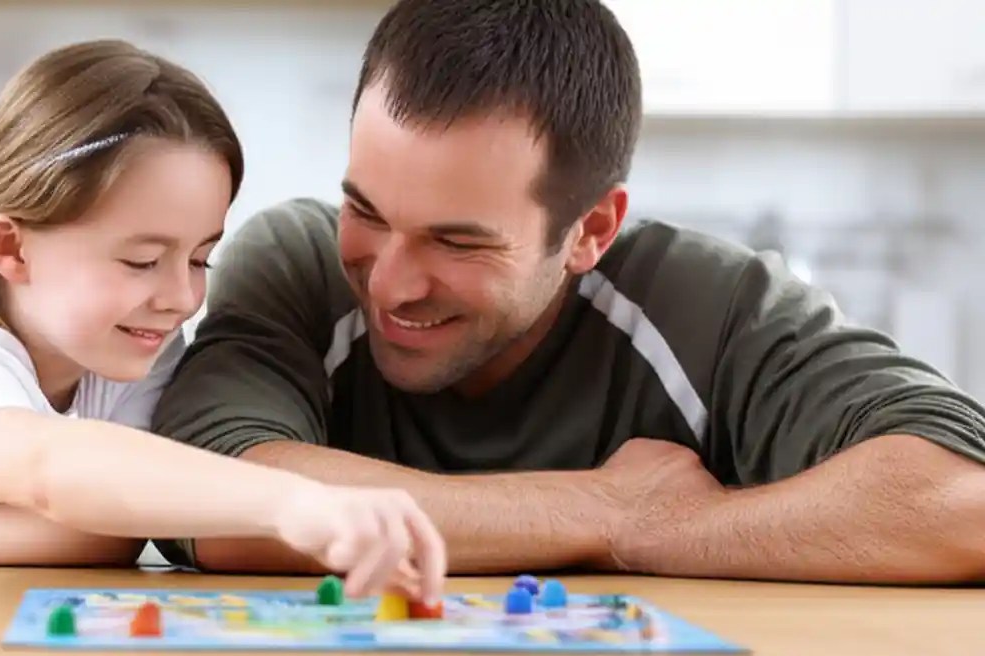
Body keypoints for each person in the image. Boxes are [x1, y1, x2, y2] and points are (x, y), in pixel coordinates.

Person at [150, 0, 985, 584]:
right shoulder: (296, 265)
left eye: (457, 239)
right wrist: (604, 513)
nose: (393, 281)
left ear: (589, 231)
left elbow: (960, 500)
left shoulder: (708, 306)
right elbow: (205, 494)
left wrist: (674, 529)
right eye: (366, 211)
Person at [0, 39, 446, 604]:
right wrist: (295, 504)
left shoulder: (134, 355)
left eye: (200, 259)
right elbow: (53, 472)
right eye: (140, 261)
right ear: (11, 247)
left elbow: (106, 530)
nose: (180, 298)